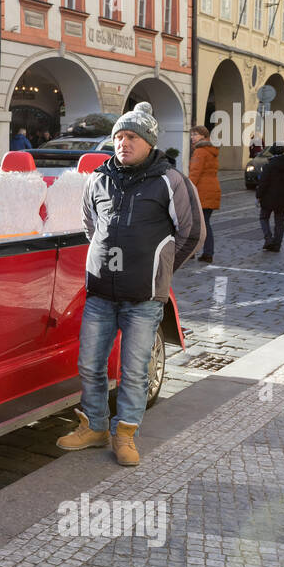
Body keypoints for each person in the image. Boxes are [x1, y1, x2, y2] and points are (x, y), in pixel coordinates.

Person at [57, 102, 204, 467]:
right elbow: (91, 226)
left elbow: (193, 233)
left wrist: (162, 270)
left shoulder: (171, 181)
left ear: (149, 142)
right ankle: (93, 426)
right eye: (119, 136)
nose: (124, 143)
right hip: (100, 292)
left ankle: (125, 434)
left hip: (143, 297)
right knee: (90, 364)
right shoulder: (98, 178)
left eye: (132, 137)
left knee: (134, 370)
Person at [187, 125, 220, 263]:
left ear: (203, 136)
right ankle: (206, 252)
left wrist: (187, 190)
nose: (192, 137)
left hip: (202, 192)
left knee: (196, 224)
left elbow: (195, 173)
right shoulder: (211, 150)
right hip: (211, 191)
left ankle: (199, 252)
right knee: (203, 223)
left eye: (195, 134)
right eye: (192, 134)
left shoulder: (200, 152)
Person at [256, 144, 284, 252]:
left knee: (263, 217)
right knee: (279, 221)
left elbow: (263, 182)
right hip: (283, 197)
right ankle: (277, 245)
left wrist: (258, 195)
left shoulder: (270, 165)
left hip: (269, 197)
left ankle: (268, 239)